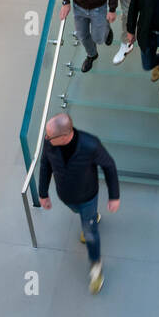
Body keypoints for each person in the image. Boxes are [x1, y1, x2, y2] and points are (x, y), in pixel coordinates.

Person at [37, 113, 120, 294]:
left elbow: (109, 166)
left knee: (90, 233)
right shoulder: (50, 142)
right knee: (78, 212)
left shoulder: (90, 145)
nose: (46, 139)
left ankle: (96, 267)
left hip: (87, 197)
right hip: (66, 196)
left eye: (49, 136)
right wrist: (43, 193)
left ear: (65, 136)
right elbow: (45, 165)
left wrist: (114, 196)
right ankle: (91, 217)